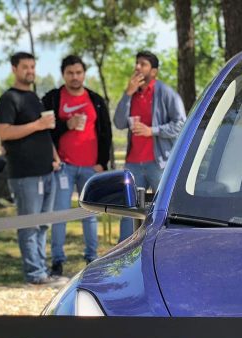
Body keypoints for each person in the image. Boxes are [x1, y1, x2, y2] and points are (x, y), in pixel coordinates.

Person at [0, 51, 66, 287]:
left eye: (33, 67)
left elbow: (44, 133)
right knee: (30, 224)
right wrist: (37, 124)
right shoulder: (9, 98)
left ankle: (42, 271)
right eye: (25, 67)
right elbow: (4, 132)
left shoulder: (34, 97)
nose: (30, 71)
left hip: (47, 171)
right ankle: (35, 274)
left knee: (43, 224)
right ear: (14, 69)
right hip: (25, 174)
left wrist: (55, 157)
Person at [43, 54, 113, 274]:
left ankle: (91, 257)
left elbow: (106, 133)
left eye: (79, 72)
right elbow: (45, 131)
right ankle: (57, 260)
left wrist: (102, 162)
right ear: (63, 74)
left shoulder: (96, 100)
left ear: (84, 74)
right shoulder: (53, 99)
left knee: (89, 214)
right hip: (63, 166)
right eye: (70, 73)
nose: (75, 77)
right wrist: (67, 125)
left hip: (91, 167)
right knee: (61, 214)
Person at [112, 50, 186, 241]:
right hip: (133, 164)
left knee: (166, 208)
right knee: (129, 213)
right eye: (137, 63)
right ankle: (125, 252)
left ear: (154, 71)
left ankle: (169, 245)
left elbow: (180, 124)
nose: (137, 67)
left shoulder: (166, 93)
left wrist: (151, 130)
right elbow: (119, 123)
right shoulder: (131, 95)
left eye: (143, 64)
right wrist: (127, 93)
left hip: (158, 163)